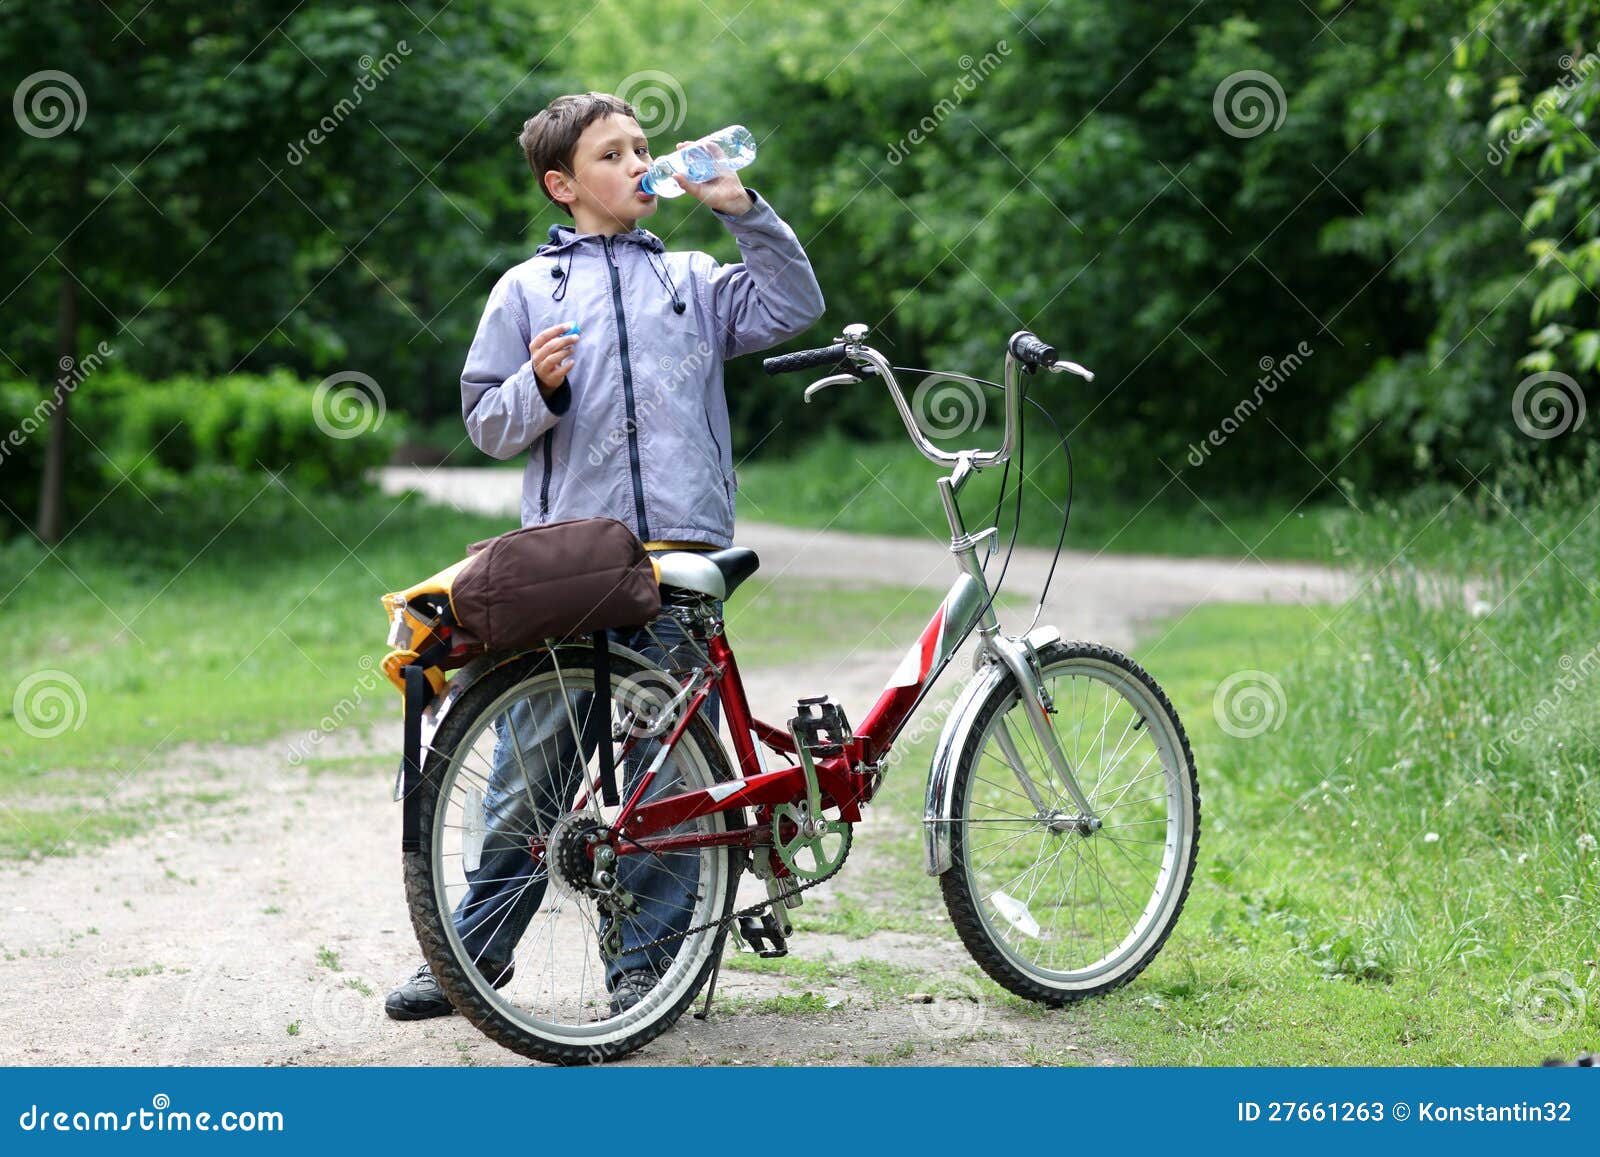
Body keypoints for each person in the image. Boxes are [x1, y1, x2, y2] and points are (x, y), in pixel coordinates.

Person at [385, 91, 825, 1020]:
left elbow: (794, 302)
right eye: (613, 154)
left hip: (675, 563)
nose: (639, 164)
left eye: (643, 148)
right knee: (528, 762)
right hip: (570, 564)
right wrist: (535, 386)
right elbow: (485, 422)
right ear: (563, 185)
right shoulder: (525, 292)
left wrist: (742, 208)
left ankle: (647, 967)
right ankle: (473, 953)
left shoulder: (695, 280)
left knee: (666, 766)